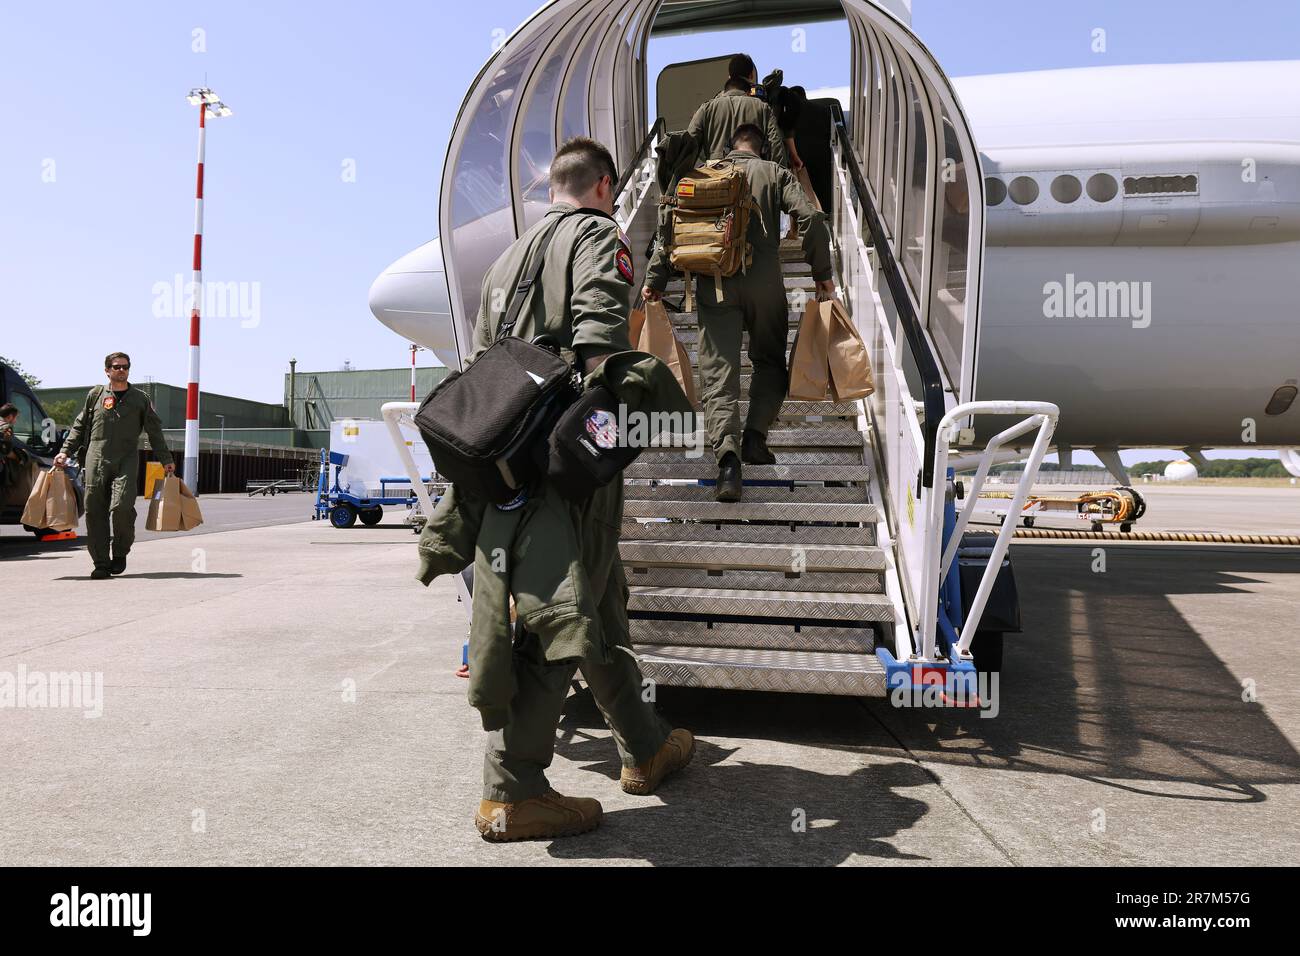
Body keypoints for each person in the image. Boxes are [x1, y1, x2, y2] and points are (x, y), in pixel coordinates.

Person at [417, 137, 694, 842]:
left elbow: (486, 358)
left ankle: (644, 744)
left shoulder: (509, 257)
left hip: (508, 458)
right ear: (604, 185)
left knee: (598, 600)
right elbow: (602, 346)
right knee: (553, 615)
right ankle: (514, 790)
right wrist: (630, 423)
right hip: (564, 463)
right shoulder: (600, 237)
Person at [643, 123, 835, 500]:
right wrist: (822, 274)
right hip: (765, 285)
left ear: (730, 148)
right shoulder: (774, 173)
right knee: (769, 361)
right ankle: (755, 437)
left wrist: (656, 279)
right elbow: (811, 219)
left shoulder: (704, 173)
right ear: (761, 149)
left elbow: (672, 228)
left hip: (714, 285)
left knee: (719, 372)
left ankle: (728, 463)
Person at [53, 352, 174, 579]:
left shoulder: (140, 399)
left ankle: (119, 552)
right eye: (116, 367)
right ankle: (101, 563)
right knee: (95, 511)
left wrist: (166, 460)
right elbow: (79, 426)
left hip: (126, 458)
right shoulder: (95, 395)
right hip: (96, 457)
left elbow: (154, 431)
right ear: (107, 370)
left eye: (125, 367)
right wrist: (64, 451)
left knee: (122, 507)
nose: (121, 370)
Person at [687, 53, 789, 168]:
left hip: (716, 179)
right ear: (751, 76)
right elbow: (776, 148)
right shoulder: (762, 108)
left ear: (729, 77)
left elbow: (688, 146)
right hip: (753, 178)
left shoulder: (706, 109)